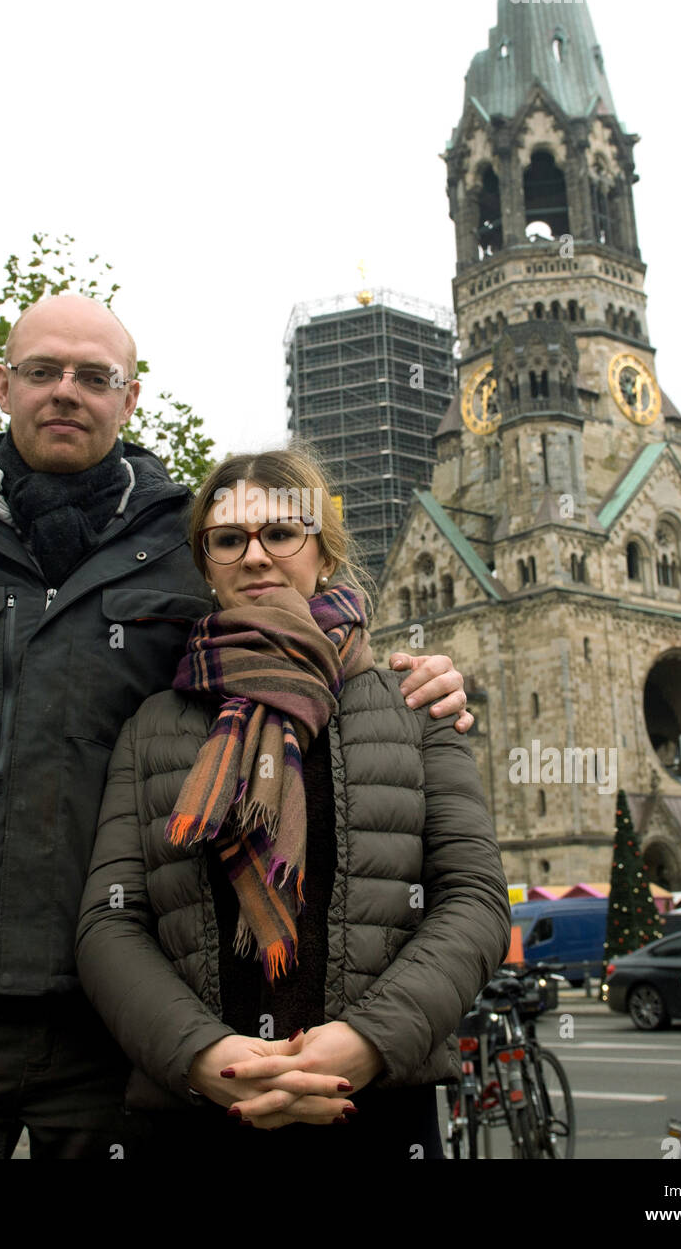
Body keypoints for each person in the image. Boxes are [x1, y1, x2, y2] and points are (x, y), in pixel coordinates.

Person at [0, 293, 475, 1159]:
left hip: (124, 1019)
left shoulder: (187, 553)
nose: (66, 391)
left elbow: (291, 640)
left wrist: (422, 676)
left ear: (129, 397)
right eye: (42, 371)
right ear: (3, 385)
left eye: (93, 376)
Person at [76, 448, 511, 1161]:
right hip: (199, 1116)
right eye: (227, 539)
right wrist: (201, 1054)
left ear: (324, 553)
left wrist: (368, 1041)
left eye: (281, 533)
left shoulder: (415, 705)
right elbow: (109, 922)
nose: (255, 556)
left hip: (376, 1112)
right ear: (207, 565)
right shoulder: (154, 723)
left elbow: (472, 899)